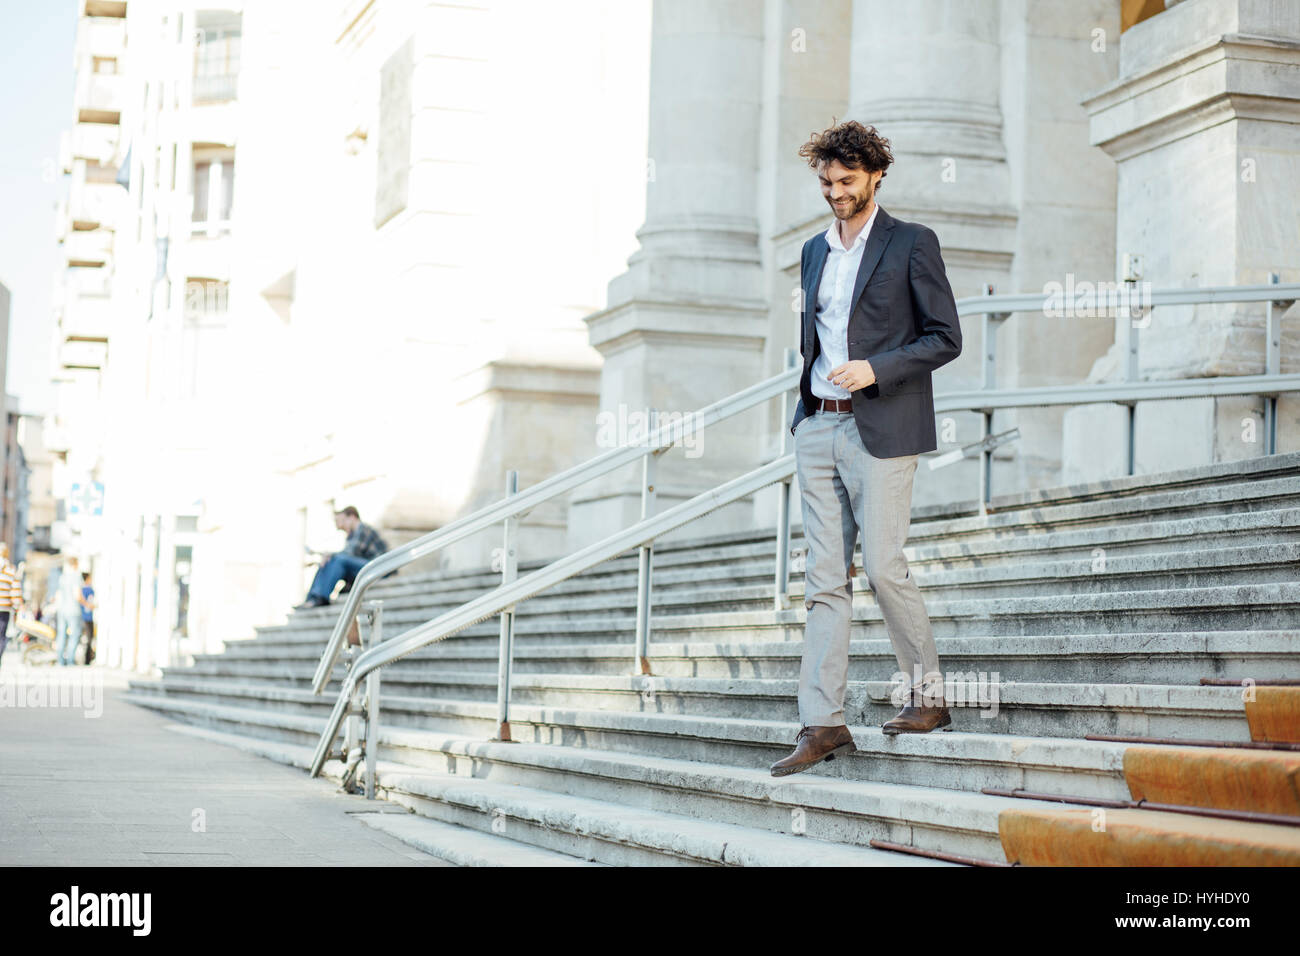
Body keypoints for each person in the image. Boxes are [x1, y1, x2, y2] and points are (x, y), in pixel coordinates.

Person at [771, 120, 963, 777]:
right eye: (825, 181)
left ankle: (928, 696)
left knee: (883, 566)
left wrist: (876, 368)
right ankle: (822, 723)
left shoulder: (912, 243)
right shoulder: (814, 251)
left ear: (876, 174)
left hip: (880, 426)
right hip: (818, 427)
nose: (834, 192)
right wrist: (803, 412)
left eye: (846, 181)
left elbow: (944, 337)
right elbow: (815, 337)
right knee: (823, 582)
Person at [295, 506, 389, 609]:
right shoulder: (352, 535)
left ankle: (321, 597)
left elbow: (350, 554)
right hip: (364, 569)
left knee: (338, 559)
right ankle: (312, 598)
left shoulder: (363, 529)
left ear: (352, 517)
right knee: (328, 561)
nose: (340, 526)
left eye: (342, 521)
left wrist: (330, 555)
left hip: (377, 569)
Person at [55, 555, 83, 666]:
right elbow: (77, 595)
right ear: (75, 564)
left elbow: (59, 595)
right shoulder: (76, 576)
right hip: (73, 610)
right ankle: (70, 660)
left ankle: (60, 660)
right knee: (74, 634)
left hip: (62, 609)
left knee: (61, 634)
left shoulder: (63, 577)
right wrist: (88, 604)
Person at [0, 544, 21, 672]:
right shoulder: (10, 570)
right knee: (1, 636)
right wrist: (17, 606)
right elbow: (15, 592)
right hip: (4, 609)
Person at [79, 571, 96, 665]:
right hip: (88, 617)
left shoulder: (80, 589)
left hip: (81, 616)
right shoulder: (89, 590)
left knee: (83, 638)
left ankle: (85, 658)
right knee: (89, 638)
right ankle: (87, 660)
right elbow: (90, 603)